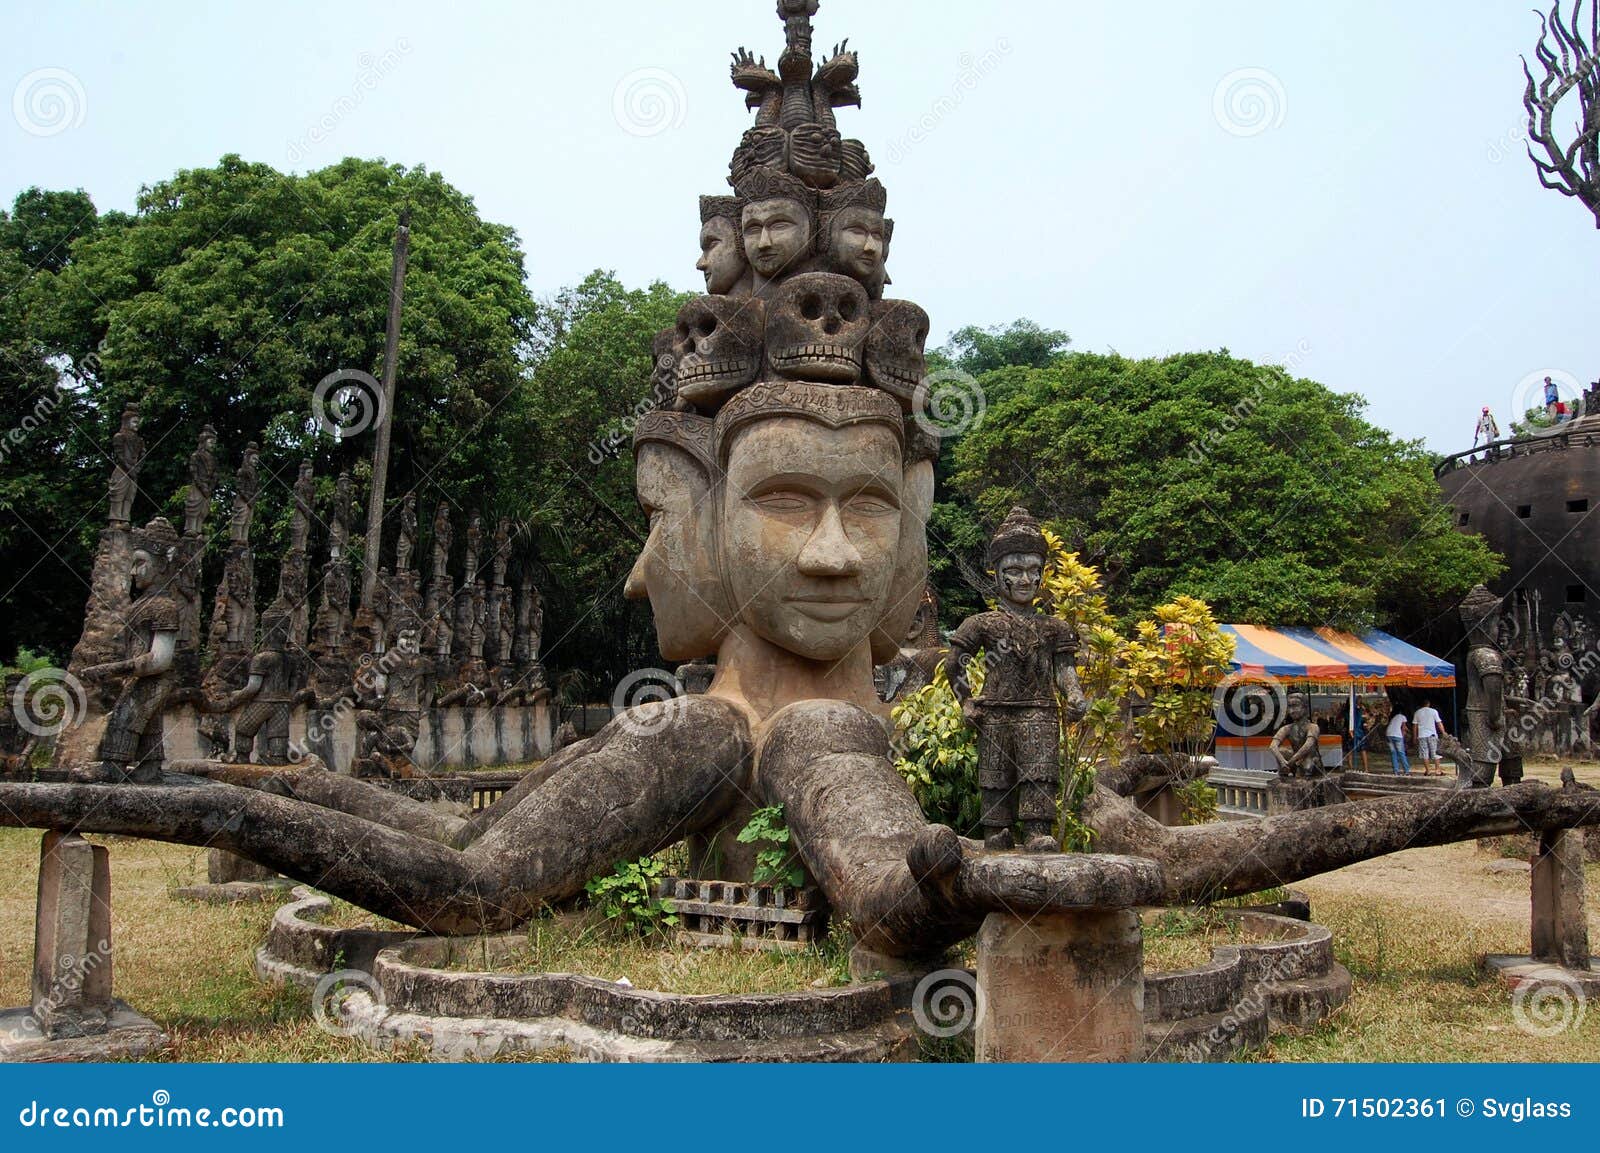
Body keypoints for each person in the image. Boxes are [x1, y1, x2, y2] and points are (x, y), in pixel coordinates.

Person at [1412, 698, 1447, 776]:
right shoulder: (1433, 711)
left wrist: (1414, 737)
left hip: (1422, 735)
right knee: (1436, 752)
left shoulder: (1417, 712)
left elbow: (1415, 726)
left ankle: (1428, 771)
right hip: (1432, 735)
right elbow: (1439, 723)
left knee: (1424, 753)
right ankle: (1437, 770)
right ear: (1428, 704)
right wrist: (1443, 732)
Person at [1386, 708, 1411, 775]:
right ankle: (1406, 771)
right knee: (1401, 753)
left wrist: (1408, 730)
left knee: (1393, 753)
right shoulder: (1403, 716)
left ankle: (1396, 771)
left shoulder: (1393, 717)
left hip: (1388, 734)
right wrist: (1403, 736)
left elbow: (1402, 727)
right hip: (1397, 735)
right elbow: (1403, 728)